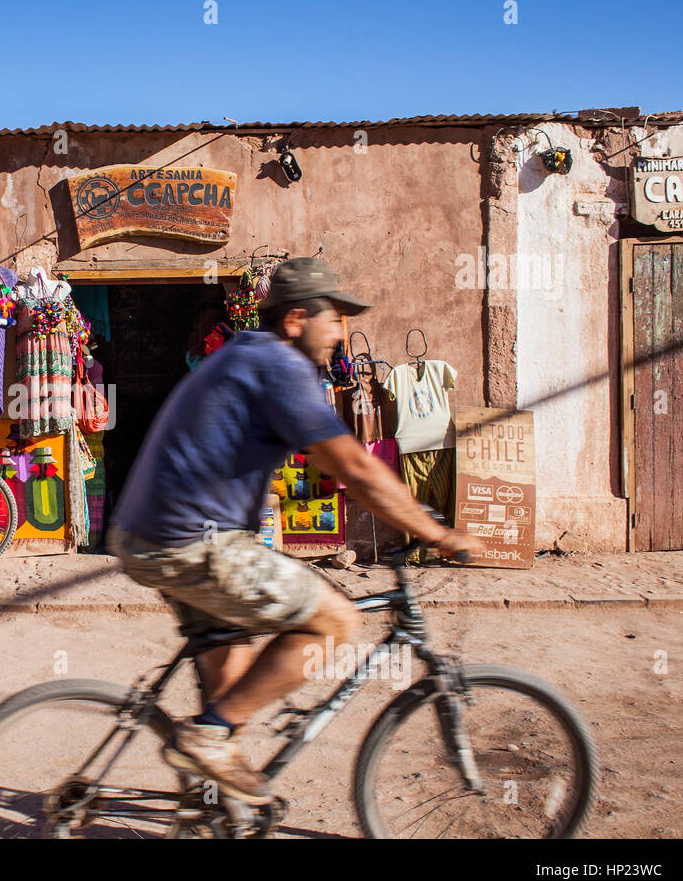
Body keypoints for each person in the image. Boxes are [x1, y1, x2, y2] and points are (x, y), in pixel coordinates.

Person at [107, 257, 480, 806]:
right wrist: (437, 532)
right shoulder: (278, 366)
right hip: (193, 540)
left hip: (154, 535)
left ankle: (216, 803)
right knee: (334, 619)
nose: (339, 334)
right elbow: (352, 468)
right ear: (295, 319)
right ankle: (208, 739)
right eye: (333, 319)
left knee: (230, 693)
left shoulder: (244, 354)